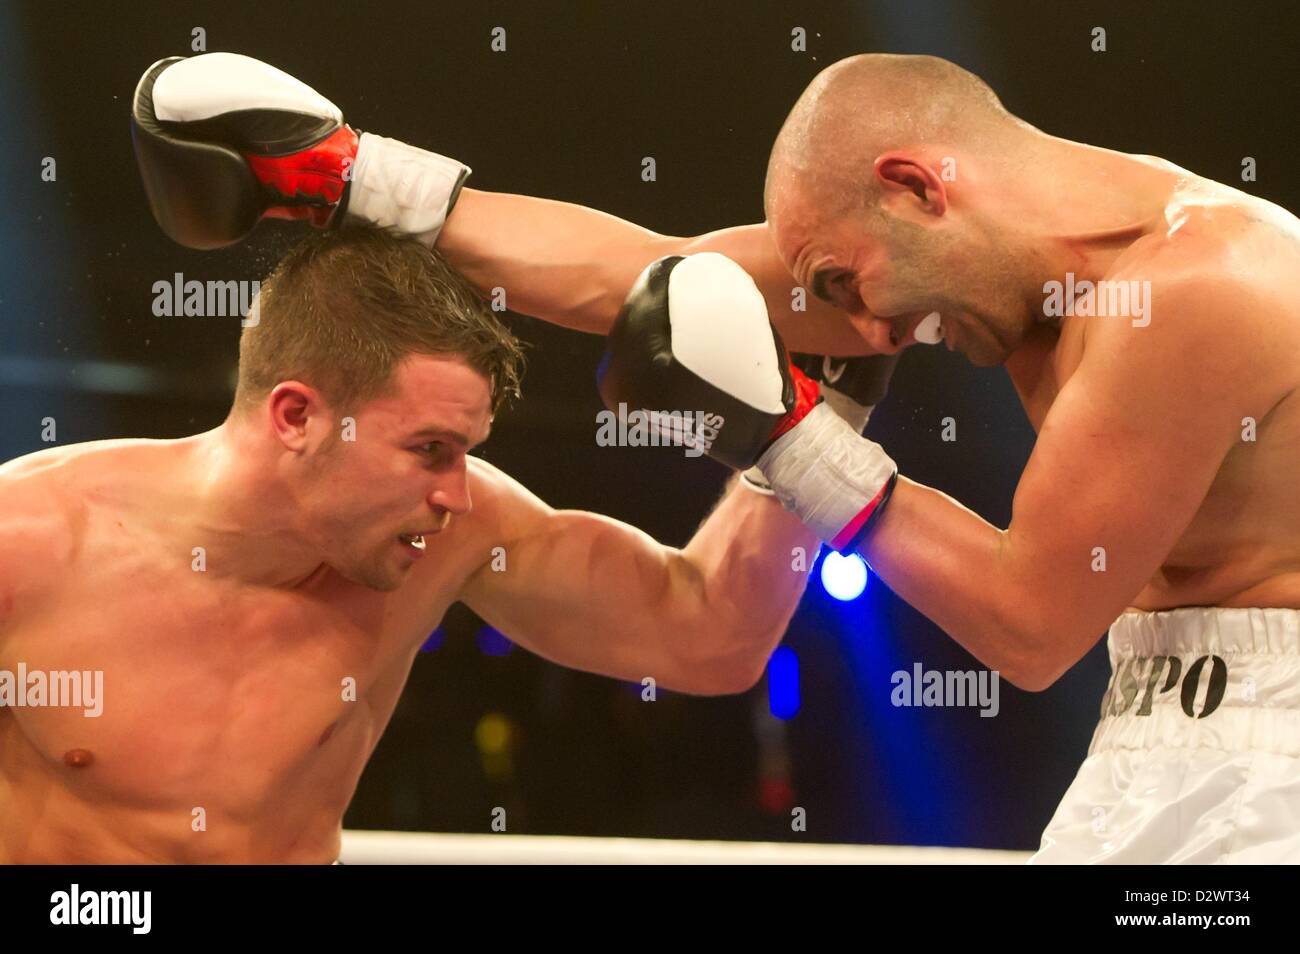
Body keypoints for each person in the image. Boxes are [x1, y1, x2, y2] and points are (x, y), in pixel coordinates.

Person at [133, 51, 1300, 862]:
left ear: (916, 187)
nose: (860, 327)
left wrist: (789, 435)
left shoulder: (1196, 288)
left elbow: (1033, 623)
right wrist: (348, 177)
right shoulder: (1013, 274)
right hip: (1161, 731)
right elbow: (648, 275)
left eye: (844, 283)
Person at [0, 225, 829, 863]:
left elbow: (709, 640)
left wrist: (812, 423)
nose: (457, 493)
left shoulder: (457, 532)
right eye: (429, 449)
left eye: (466, 452)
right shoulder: (29, 539)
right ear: (296, 416)